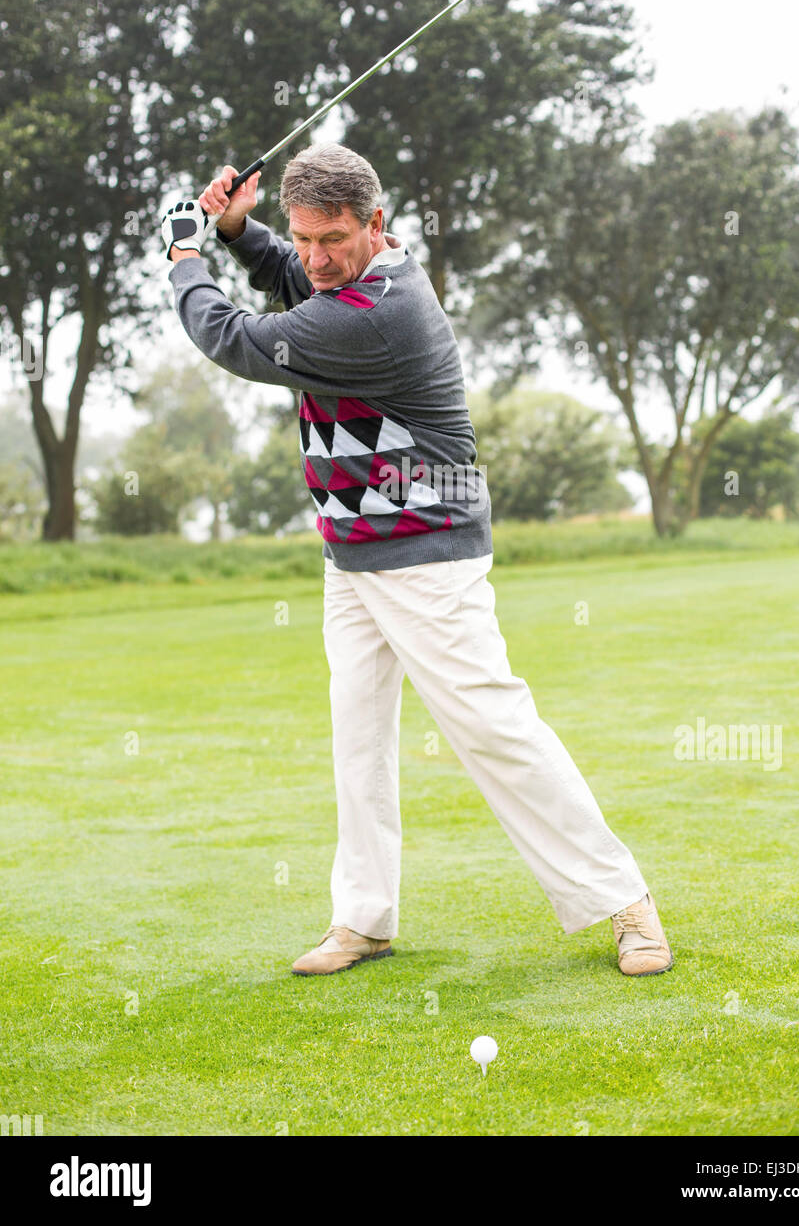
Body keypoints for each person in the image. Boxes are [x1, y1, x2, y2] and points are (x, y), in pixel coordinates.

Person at [161, 142, 673, 979]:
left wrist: (186, 252)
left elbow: (239, 338)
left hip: (426, 553)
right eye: (303, 236)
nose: (316, 257)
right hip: (352, 554)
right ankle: (363, 918)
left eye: (332, 238)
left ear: (377, 224)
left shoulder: (380, 314)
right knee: (357, 740)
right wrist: (237, 230)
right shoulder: (342, 281)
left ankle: (626, 903)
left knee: (494, 729)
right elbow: (293, 278)